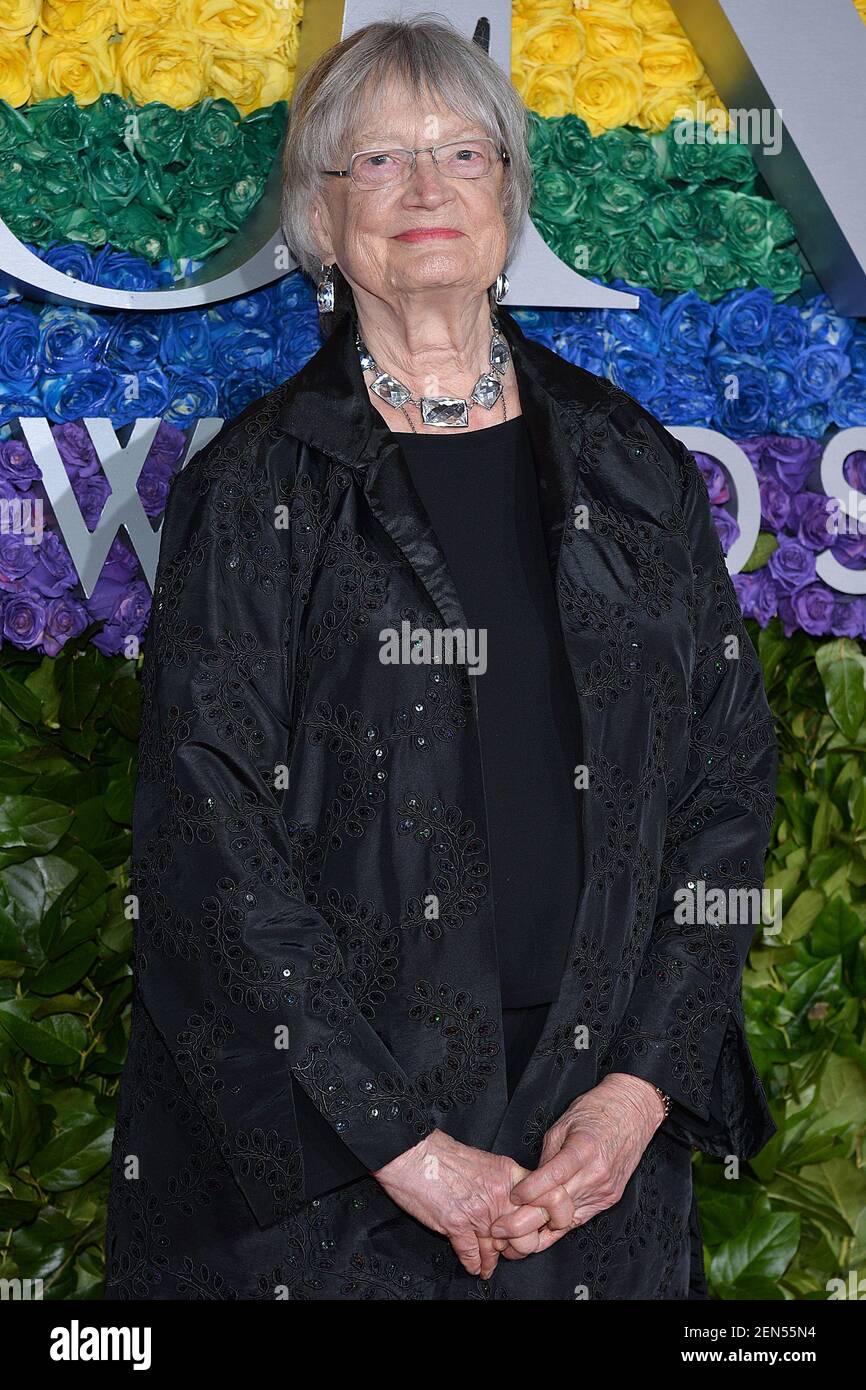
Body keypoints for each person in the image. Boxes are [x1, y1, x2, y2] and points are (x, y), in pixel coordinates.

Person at [104, 15, 778, 1301]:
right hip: (328, 1186)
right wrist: (403, 1151)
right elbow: (208, 842)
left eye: (462, 154)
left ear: (510, 196)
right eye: (378, 161)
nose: (425, 190)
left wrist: (638, 1091)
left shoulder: (629, 461)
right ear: (317, 209)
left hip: (597, 1157)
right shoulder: (255, 485)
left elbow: (724, 787)